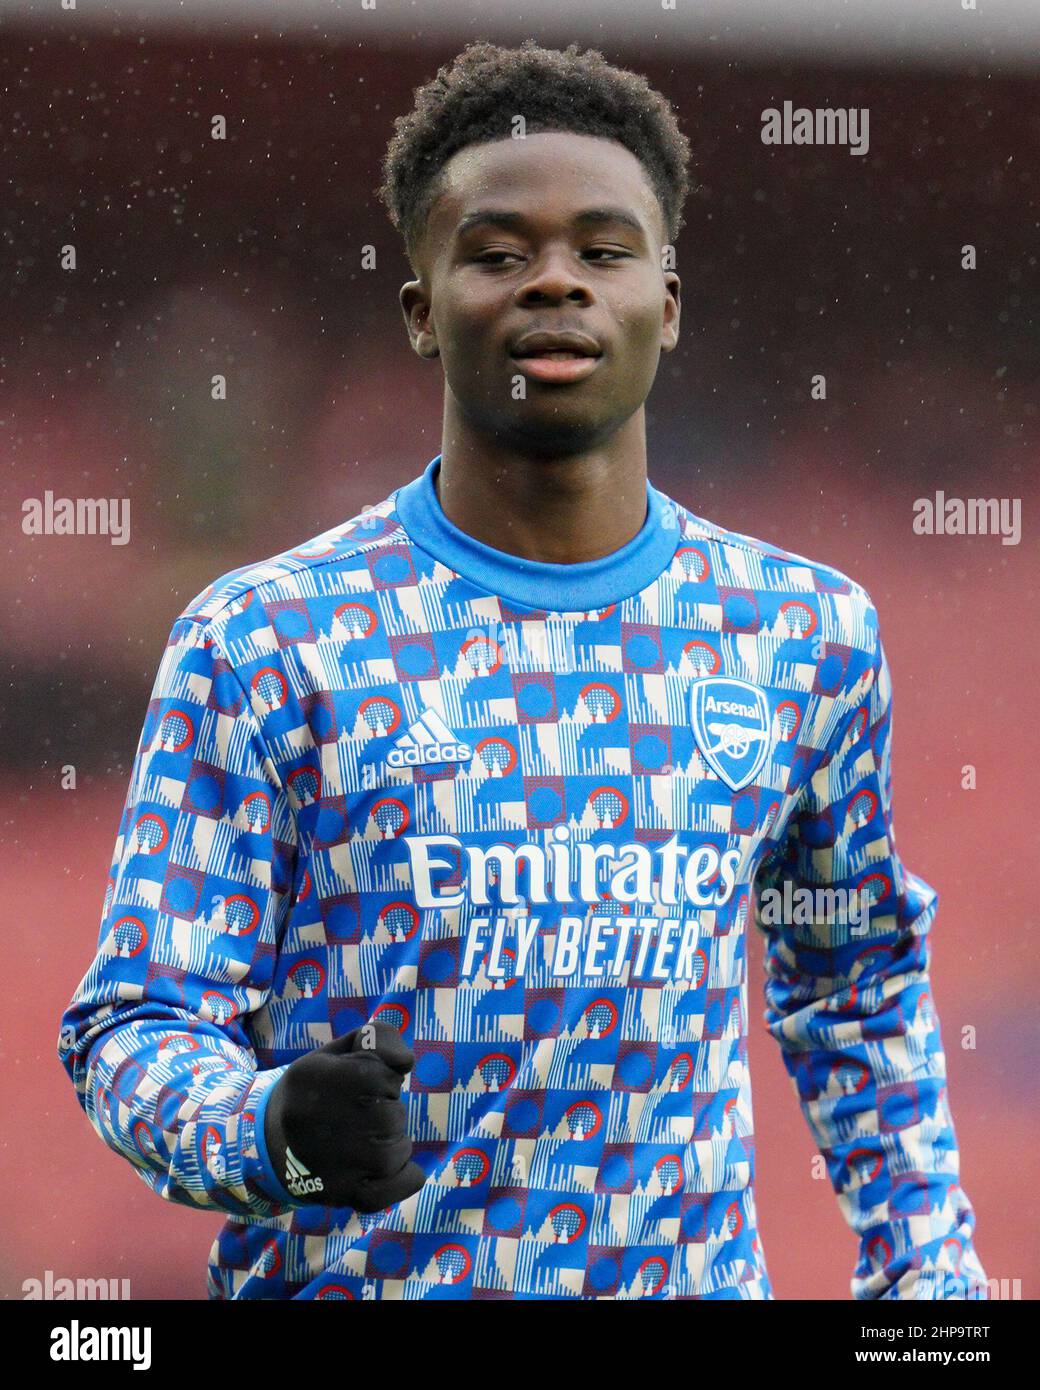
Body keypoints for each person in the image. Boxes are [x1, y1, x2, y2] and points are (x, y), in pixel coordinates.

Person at [57, 39, 987, 1301]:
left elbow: (853, 982)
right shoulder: (265, 642)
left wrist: (925, 1289)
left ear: (667, 301)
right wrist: (266, 1129)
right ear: (420, 310)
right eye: (497, 253)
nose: (554, 282)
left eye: (602, 251)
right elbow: (135, 1022)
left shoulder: (800, 635)